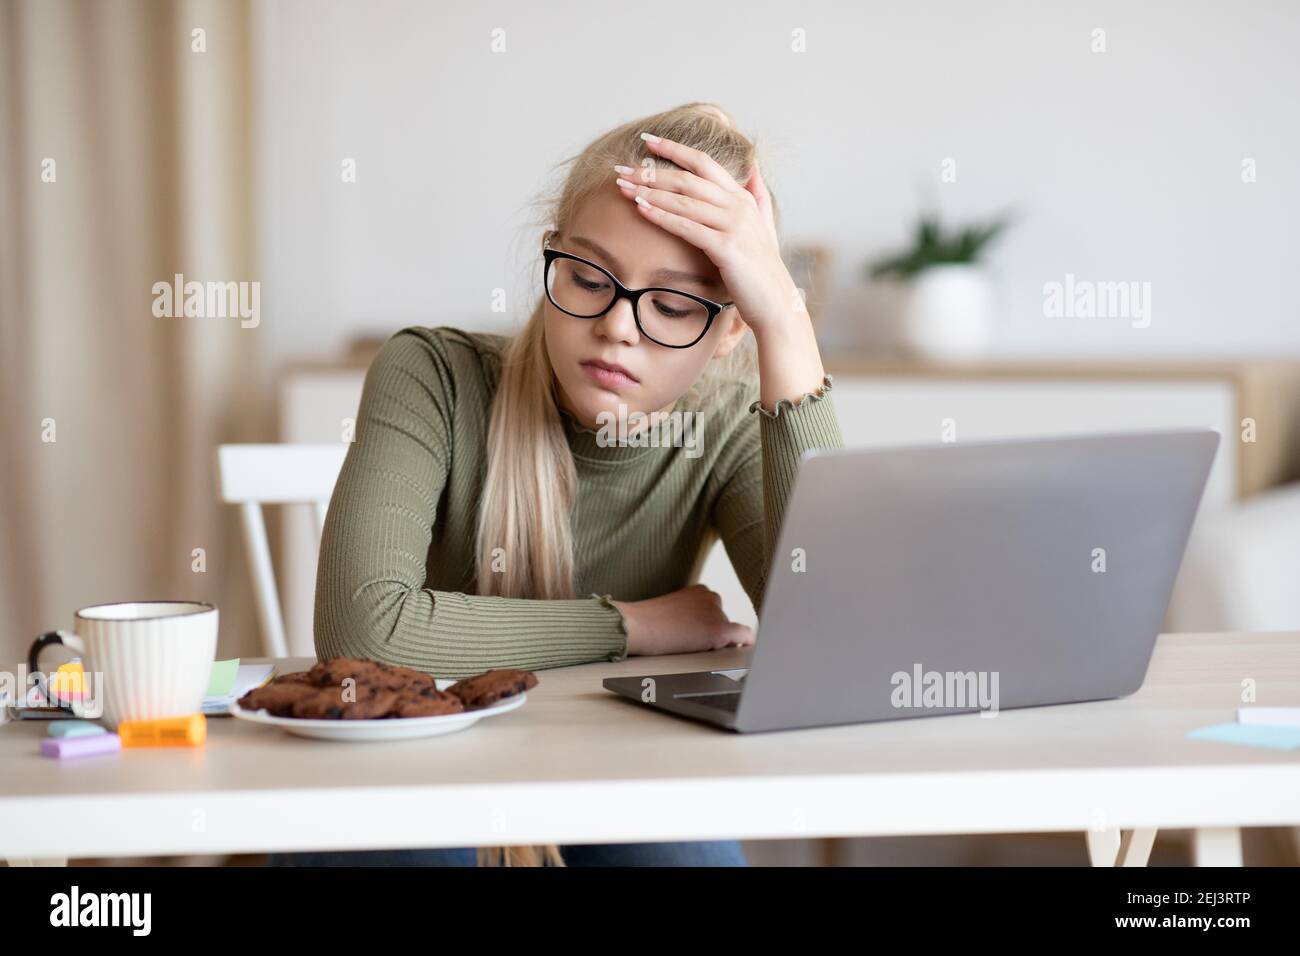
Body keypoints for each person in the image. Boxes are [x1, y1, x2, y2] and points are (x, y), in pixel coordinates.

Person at [267, 101, 843, 867]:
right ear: (551, 260)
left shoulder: (727, 425)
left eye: (673, 304)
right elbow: (368, 632)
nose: (618, 326)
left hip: (609, 778)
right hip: (408, 772)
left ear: (728, 330)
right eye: (587, 276)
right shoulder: (430, 375)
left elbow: (832, 646)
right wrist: (632, 627)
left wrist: (786, 323)